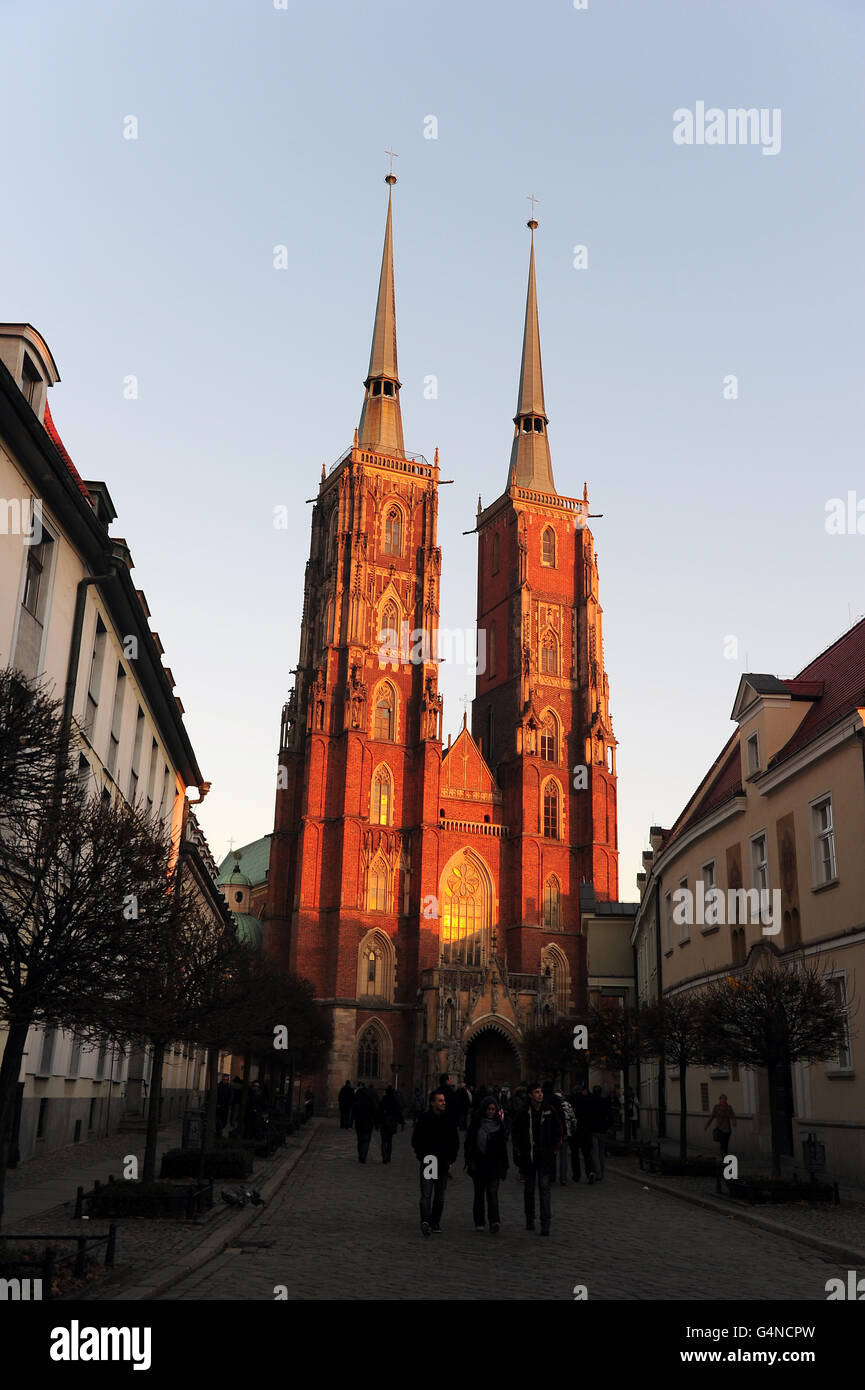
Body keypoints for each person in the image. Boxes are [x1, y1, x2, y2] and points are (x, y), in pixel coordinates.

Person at [512, 1081, 563, 1235]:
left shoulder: (549, 1110)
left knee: (544, 1189)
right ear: (530, 1095)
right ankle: (530, 1219)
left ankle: (545, 1223)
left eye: (540, 1092)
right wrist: (520, 1153)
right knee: (529, 1190)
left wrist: (554, 1149)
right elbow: (516, 1135)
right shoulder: (523, 1112)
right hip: (529, 1157)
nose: (540, 1094)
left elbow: (559, 1131)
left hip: (545, 1157)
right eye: (536, 1092)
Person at [411, 1089, 460, 1236]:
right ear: (432, 1103)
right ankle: (425, 1221)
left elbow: (455, 1141)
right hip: (429, 1160)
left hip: (443, 1161)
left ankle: (435, 1221)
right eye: (440, 1100)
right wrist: (422, 1155)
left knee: (439, 1195)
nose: (443, 1103)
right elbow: (416, 1139)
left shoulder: (449, 1120)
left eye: (444, 1100)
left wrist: (451, 1157)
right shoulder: (425, 1118)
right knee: (426, 1193)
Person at [465, 1095, 509, 1233]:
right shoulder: (476, 1124)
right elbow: (469, 1144)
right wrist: (469, 1160)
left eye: (493, 1109)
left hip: (494, 1165)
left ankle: (494, 1220)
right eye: (489, 1109)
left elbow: (503, 1148)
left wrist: (504, 1166)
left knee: (492, 1194)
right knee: (479, 1194)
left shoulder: (499, 1126)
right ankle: (479, 1221)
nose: (491, 1112)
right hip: (479, 1164)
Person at [590, 1085, 612, 1181]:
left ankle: (598, 1173)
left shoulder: (590, 1102)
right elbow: (610, 1116)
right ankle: (601, 1172)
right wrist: (607, 1127)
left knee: (595, 1153)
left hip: (593, 1130)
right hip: (603, 1130)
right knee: (601, 1153)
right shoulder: (605, 1102)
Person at [377, 1084, 403, 1163]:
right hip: (392, 1123)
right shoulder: (395, 1100)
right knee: (389, 1140)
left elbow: (379, 1112)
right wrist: (401, 1123)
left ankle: (384, 1156)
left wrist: (377, 1123)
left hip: (384, 1122)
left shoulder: (384, 1100)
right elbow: (398, 1112)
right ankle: (388, 1156)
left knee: (383, 1140)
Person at [353, 1083, 377, 1163]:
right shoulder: (370, 1102)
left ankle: (360, 1155)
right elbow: (374, 1113)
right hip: (368, 1124)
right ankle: (363, 1156)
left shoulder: (357, 1103)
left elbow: (353, 1114)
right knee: (366, 1141)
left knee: (360, 1140)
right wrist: (376, 1123)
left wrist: (350, 1123)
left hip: (359, 1124)